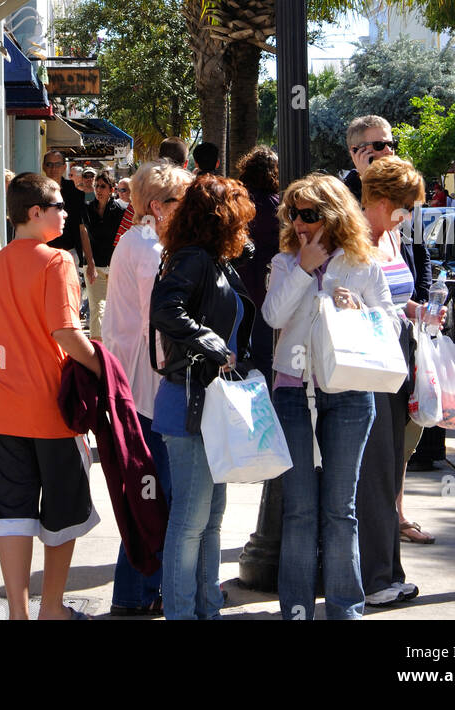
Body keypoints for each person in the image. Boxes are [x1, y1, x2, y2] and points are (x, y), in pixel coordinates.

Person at [0, 172, 101, 620]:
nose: (66, 212)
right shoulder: (57, 262)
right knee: (62, 514)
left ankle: (17, 614)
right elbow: (65, 331)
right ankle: (52, 609)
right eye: (59, 206)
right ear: (35, 213)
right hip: (51, 412)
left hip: (2, 412)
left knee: (12, 515)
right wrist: (106, 368)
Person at [264, 174, 392, 620]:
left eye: (308, 214)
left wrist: (359, 311)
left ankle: (344, 610)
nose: (298, 223)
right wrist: (302, 268)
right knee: (299, 510)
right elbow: (272, 315)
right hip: (293, 391)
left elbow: (390, 325)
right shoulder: (285, 263)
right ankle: (296, 610)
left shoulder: (362, 263)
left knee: (341, 509)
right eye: (292, 213)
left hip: (350, 392)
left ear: (332, 215)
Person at [149, 175, 255, 620]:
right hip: (191, 401)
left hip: (206, 401)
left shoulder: (208, 260)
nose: (245, 225)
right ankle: (184, 612)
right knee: (193, 522)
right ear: (223, 219)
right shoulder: (194, 259)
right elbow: (165, 309)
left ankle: (205, 608)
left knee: (208, 521)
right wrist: (211, 343)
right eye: (240, 216)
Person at [102, 158, 191, 615]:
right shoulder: (147, 246)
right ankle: (136, 594)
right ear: (159, 206)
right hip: (147, 389)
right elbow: (158, 320)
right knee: (154, 497)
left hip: (142, 386)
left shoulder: (140, 242)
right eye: (183, 199)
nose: (190, 207)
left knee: (153, 496)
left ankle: (140, 592)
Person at [358, 155, 445, 605]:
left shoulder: (391, 234)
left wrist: (421, 312)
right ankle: (375, 580)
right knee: (374, 473)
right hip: (368, 368)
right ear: (379, 198)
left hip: (397, 363)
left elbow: (400, 297)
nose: (407, 214)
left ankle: (388, 572)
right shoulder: (353, 237)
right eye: (403, 204)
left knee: (391, 469)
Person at [233, 145, 280, 388]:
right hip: (267, 284)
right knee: (265, 353)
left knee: (239, 351)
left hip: (239, 282)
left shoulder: (237, 202)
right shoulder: (277, 205)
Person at [82, 170, 125, 340]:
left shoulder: (121, 210)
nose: (98, 190)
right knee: (97, 309)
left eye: (103, 186)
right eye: (96, 186)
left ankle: (113, 348)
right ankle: (97, 350)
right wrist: (90, 265)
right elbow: (83, 235)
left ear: (111, 189)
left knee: (114, 311)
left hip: (115, 268)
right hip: (94, 266)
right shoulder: (87, 208)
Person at [342, 116, 397, 203]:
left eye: (391, 145)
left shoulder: (405, 181)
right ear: (356, 151)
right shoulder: (344, 193)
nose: (389, 151)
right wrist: (368, 178)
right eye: (379, 145)